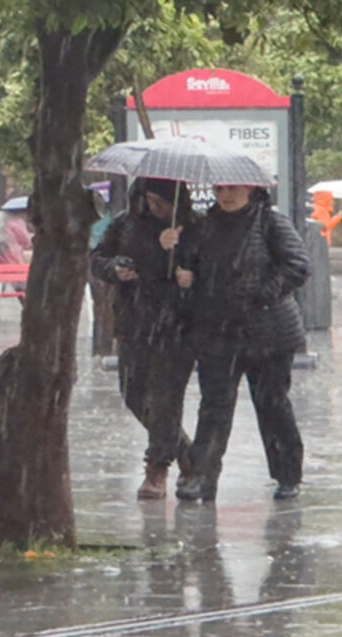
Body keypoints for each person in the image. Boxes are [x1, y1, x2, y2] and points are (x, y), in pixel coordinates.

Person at [174, 183, 310, 503]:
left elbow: (297, 266)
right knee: (214, 407)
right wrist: (180, 263)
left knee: (272, 403)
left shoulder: (271, 223)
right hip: (218, 333)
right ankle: (202, 477)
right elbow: (187, 266)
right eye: (220, 189)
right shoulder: (202, 226)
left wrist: (259, 294)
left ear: (252, 189)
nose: (227, 195)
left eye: (234, 188)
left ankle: (287, 475)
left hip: (269, 333)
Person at [91, 178, 198, 499]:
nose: (156, 208)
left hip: (177, 324)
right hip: (134, 321)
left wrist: (178, 257)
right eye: (149, 200)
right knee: (133, 393)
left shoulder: (194, 226)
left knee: (166, 399)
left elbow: (206, 266)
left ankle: (157, 468)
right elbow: (97, 258)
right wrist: (114, 269)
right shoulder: (126, 224)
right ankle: (189, 454)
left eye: (162, 202)